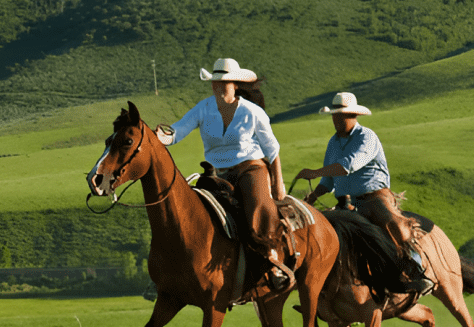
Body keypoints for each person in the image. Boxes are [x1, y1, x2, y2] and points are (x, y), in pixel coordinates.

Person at [158, 58, 293, 291]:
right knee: (192, 213)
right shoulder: (203, 108)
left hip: (250, 168)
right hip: (217, 173)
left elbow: (273, 149)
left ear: (236, 85)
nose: (219, 87)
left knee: (258, 206)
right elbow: (177, 132)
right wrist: (157, 137)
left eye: (225, 82)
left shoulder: (253, 112)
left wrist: (278, 181)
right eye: (215, 82)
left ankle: (272, 259)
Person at [293, 91, 427, 289]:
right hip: (347, 202)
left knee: (393, 225)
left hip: (375, 197)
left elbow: (349, 166)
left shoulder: (366, 137)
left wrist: (313, 172)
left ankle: (415, 269)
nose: (336, 120)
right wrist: (311, 199)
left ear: (352, 116)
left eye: (340, 115)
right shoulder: (333, 142)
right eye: (334, 115)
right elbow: (328, 181)